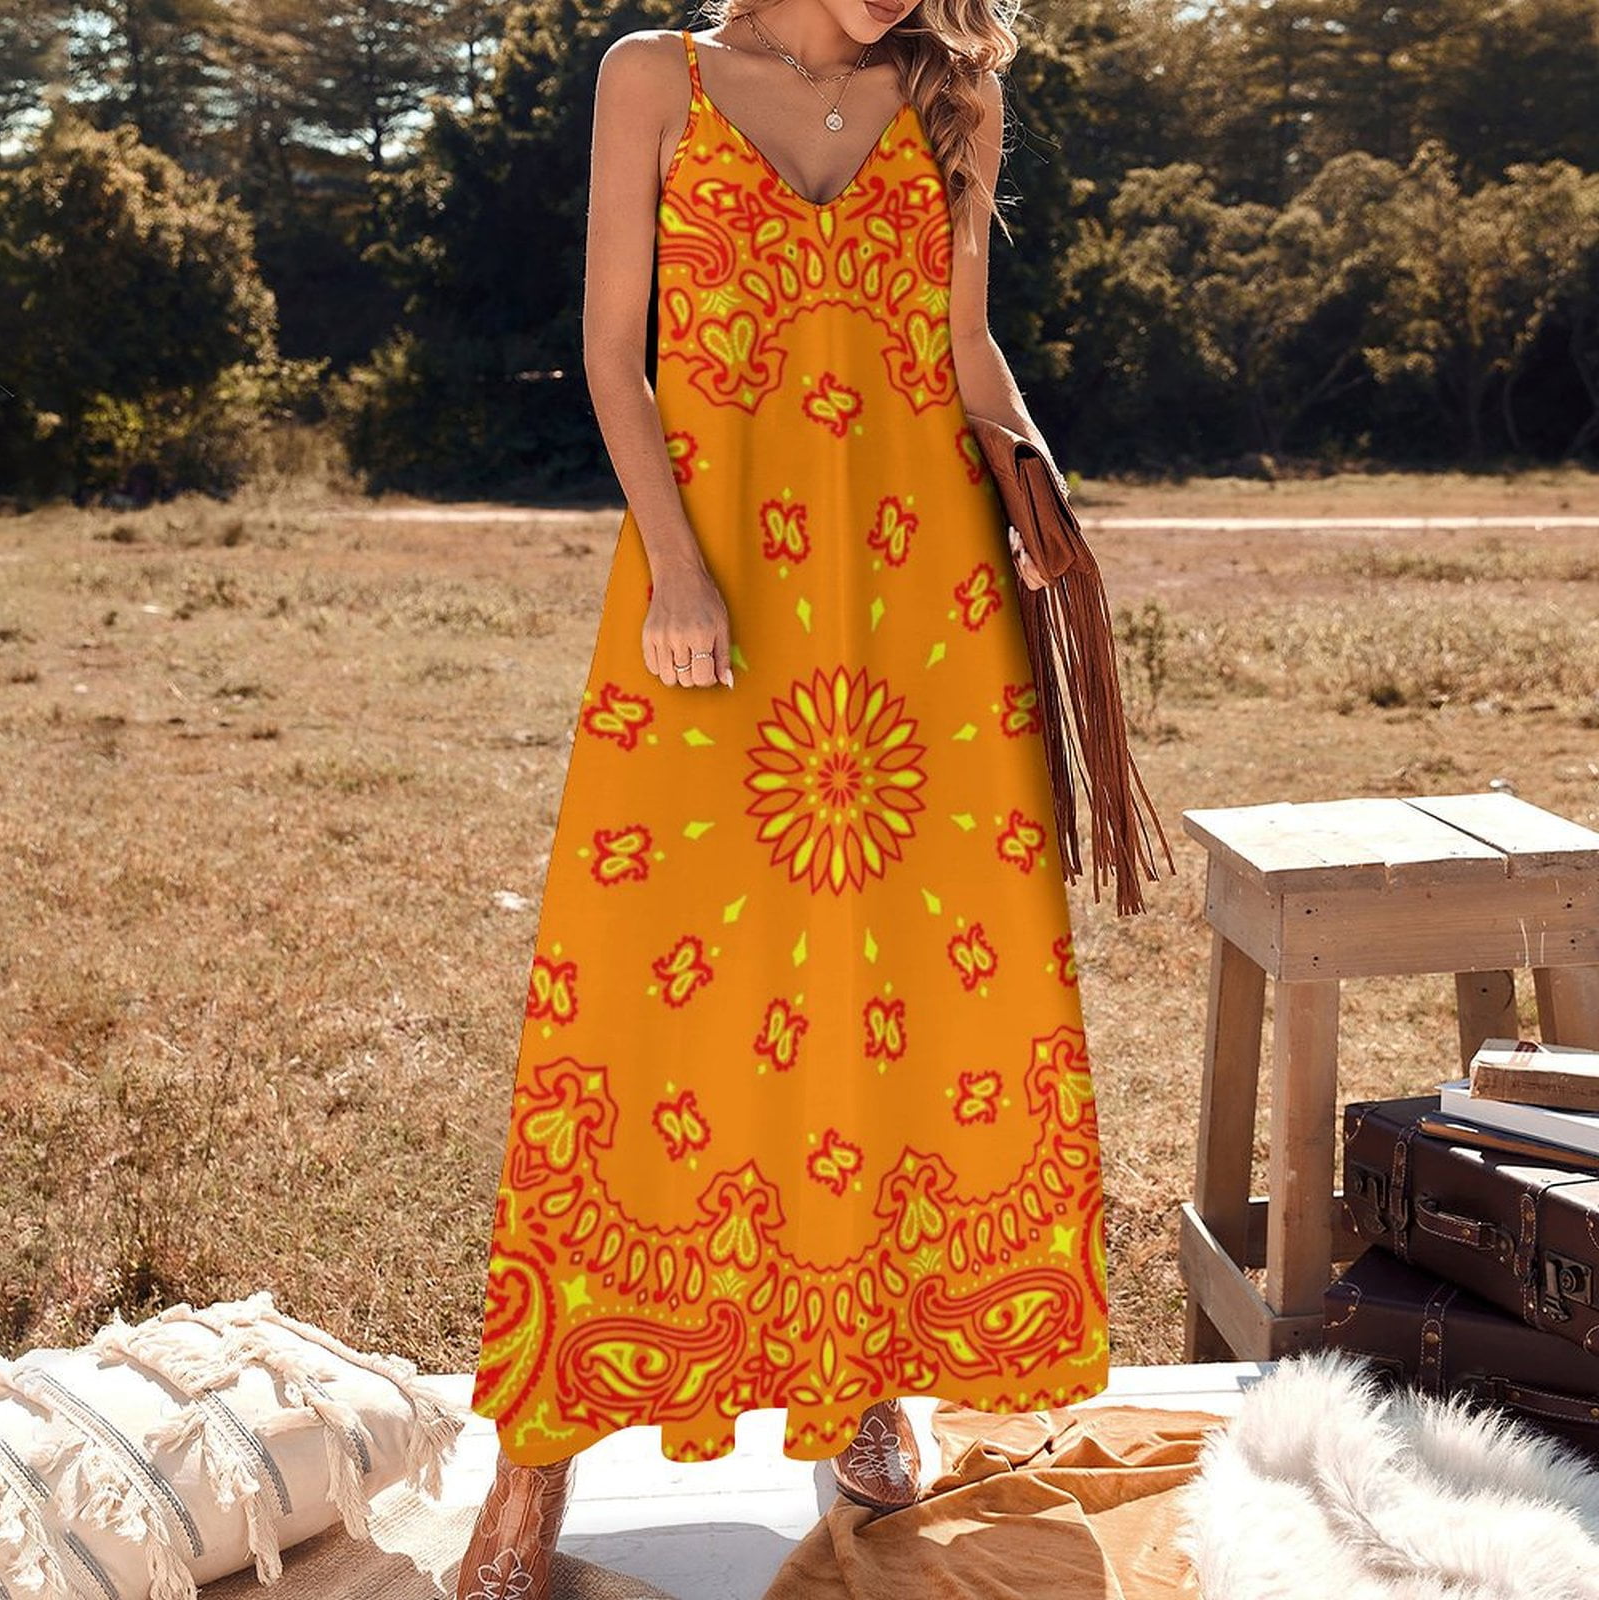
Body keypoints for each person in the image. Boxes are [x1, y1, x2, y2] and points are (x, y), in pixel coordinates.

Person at [457, 1, 1110, 1593]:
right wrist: (676, 566)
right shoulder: (651, 78)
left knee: (914, 975)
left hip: (924, 595)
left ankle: (868, 1365)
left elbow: (962, 348)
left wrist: (1040, 491)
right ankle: (536, 1458)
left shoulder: (953, 92)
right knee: (637, 990)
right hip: (717, 575)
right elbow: (616, 352)